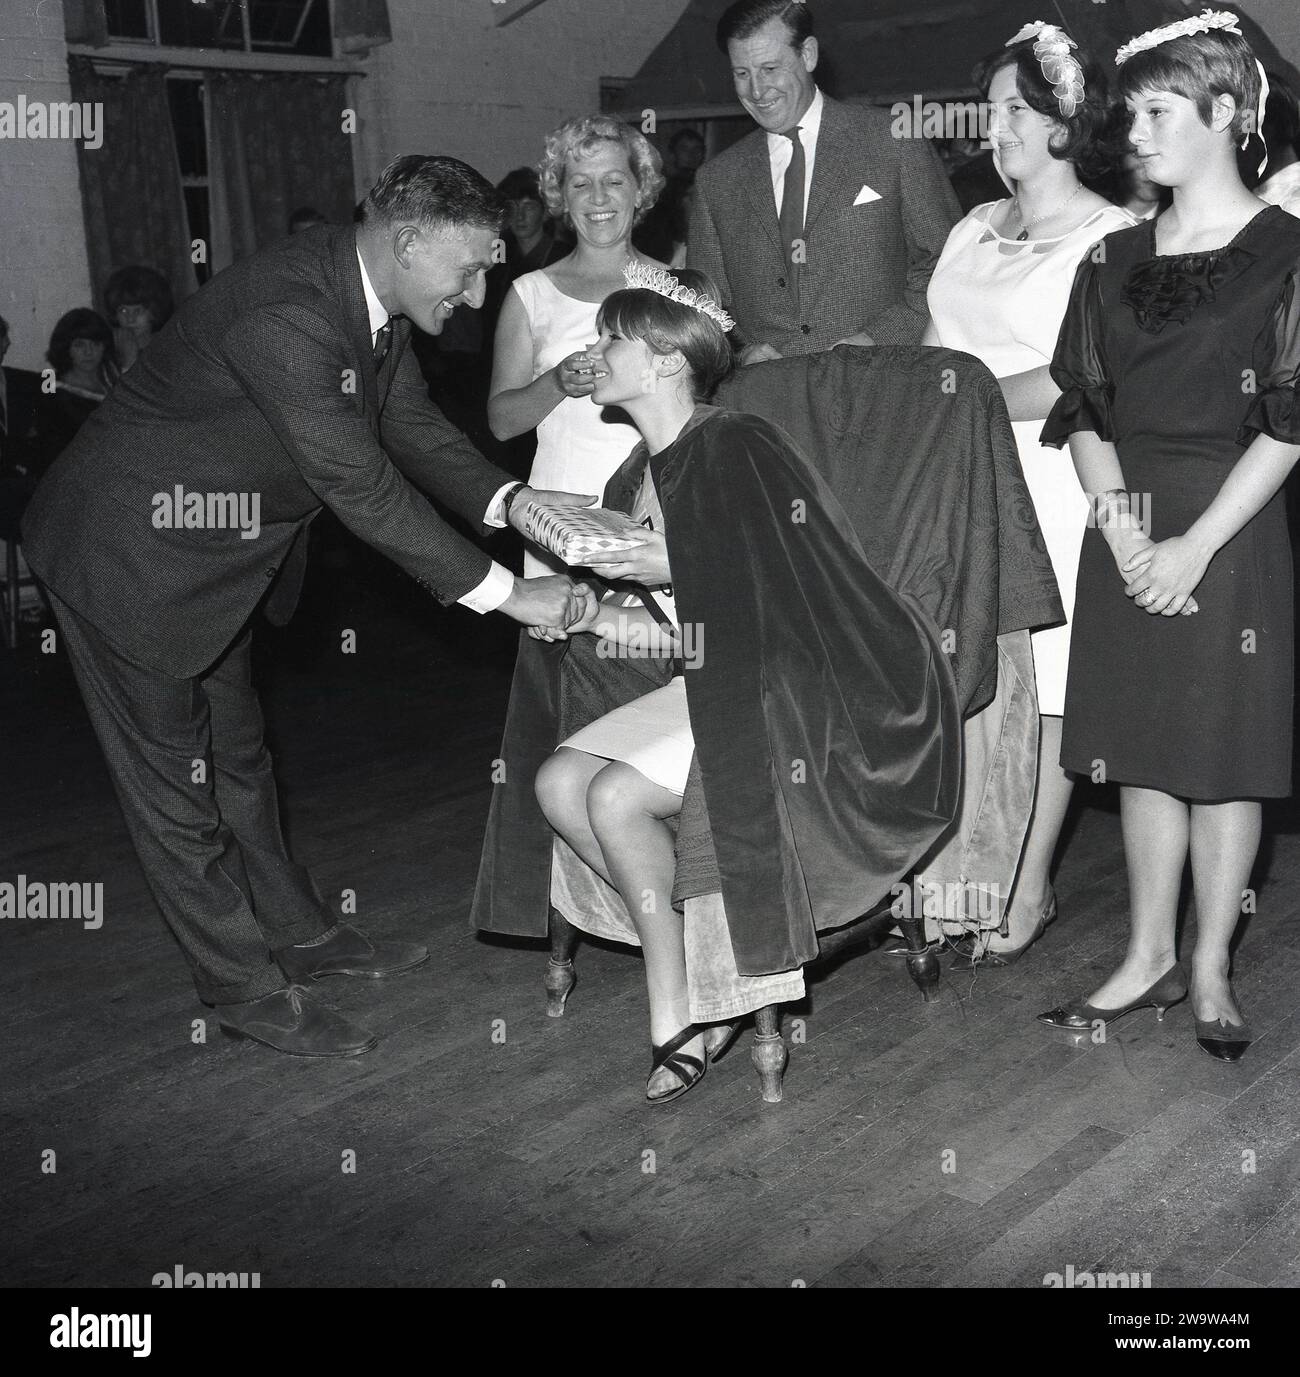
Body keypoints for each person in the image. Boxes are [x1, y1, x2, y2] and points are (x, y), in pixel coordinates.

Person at [23, 155, 592, 1058]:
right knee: (177, 790)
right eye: (473, 268)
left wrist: (513, 503)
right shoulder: (288, 314)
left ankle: (304, 933)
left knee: (240, 757)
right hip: (127, 558)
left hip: (216, 559)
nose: (481, 295)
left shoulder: (375, 297)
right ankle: (243, 986)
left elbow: (406, 427)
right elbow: (361, 487)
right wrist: (513, 593)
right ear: (409, 243)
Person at [526, 265, 959, 1102]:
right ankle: (695, 961)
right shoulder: (642, 473)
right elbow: (677, 626)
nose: (595, 352)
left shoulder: (736, 441)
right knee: (557, 780)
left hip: (811, 679)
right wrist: (584, 617)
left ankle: (679, 1008)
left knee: (614, 797)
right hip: (724, 665)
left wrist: (667, 557)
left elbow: (795, 586)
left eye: (612, 338)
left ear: (661, 360)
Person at [1036, 13, 1300, 1062]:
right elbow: (1084, 410)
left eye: (1155, 111)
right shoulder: (1109, 257)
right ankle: (1145, 954)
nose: (1133, 133)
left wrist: (1189, 550)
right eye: (1130, 112)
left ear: (1225, 114)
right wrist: (1131, 537)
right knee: (1145, 747)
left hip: (1230, 528)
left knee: (1221, 756)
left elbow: (1289, 420)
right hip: (1127, 521)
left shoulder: (1285, 254)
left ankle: (1208, 969)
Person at [925, 23, 1136, 965]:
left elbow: (1072, 382)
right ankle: (963, 866)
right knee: (968, 680)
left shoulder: (1112, 238)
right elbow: (935, 347)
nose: (994, 125)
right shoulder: (973, 225)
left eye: (1016, 108)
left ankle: (1028, 880)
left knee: (1046, 688)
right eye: (994, 107)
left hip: (1052, 480)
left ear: (1066, 122)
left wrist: (957, 401)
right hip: (957, 478)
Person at [687, 0, 960, 361]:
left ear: (809, 55)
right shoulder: (716, 180)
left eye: (770, 68)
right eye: (742, 73)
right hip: (765, 399)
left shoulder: (894, 140)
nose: (756, 90)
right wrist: (741, 354)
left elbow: (949, 263)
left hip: (882, 382)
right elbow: (702, 303)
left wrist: (875, 340)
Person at [488, 114, 664, 576]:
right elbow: (502, 423)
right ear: (560, 197)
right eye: (581, 184)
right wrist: (557, 383)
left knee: (653, 643)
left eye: (613, 180)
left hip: (658, 509)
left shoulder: (673, 288)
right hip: (561, 515)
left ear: (640, 189)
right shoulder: (530, 293)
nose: (599, 198)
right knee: (562, 640)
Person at [34, 309, 118, 466]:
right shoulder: (52, 392)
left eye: (95, 344)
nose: (89, 352)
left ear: (104, 346)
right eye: (80, 345)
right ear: (66, 348)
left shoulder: (112, 379)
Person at [103, 265, 173, 375]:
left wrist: (130, 361)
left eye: (138, 311)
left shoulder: (168, 349)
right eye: (123, 311)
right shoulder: (105, 354)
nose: (130, 319)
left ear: (154, 312)